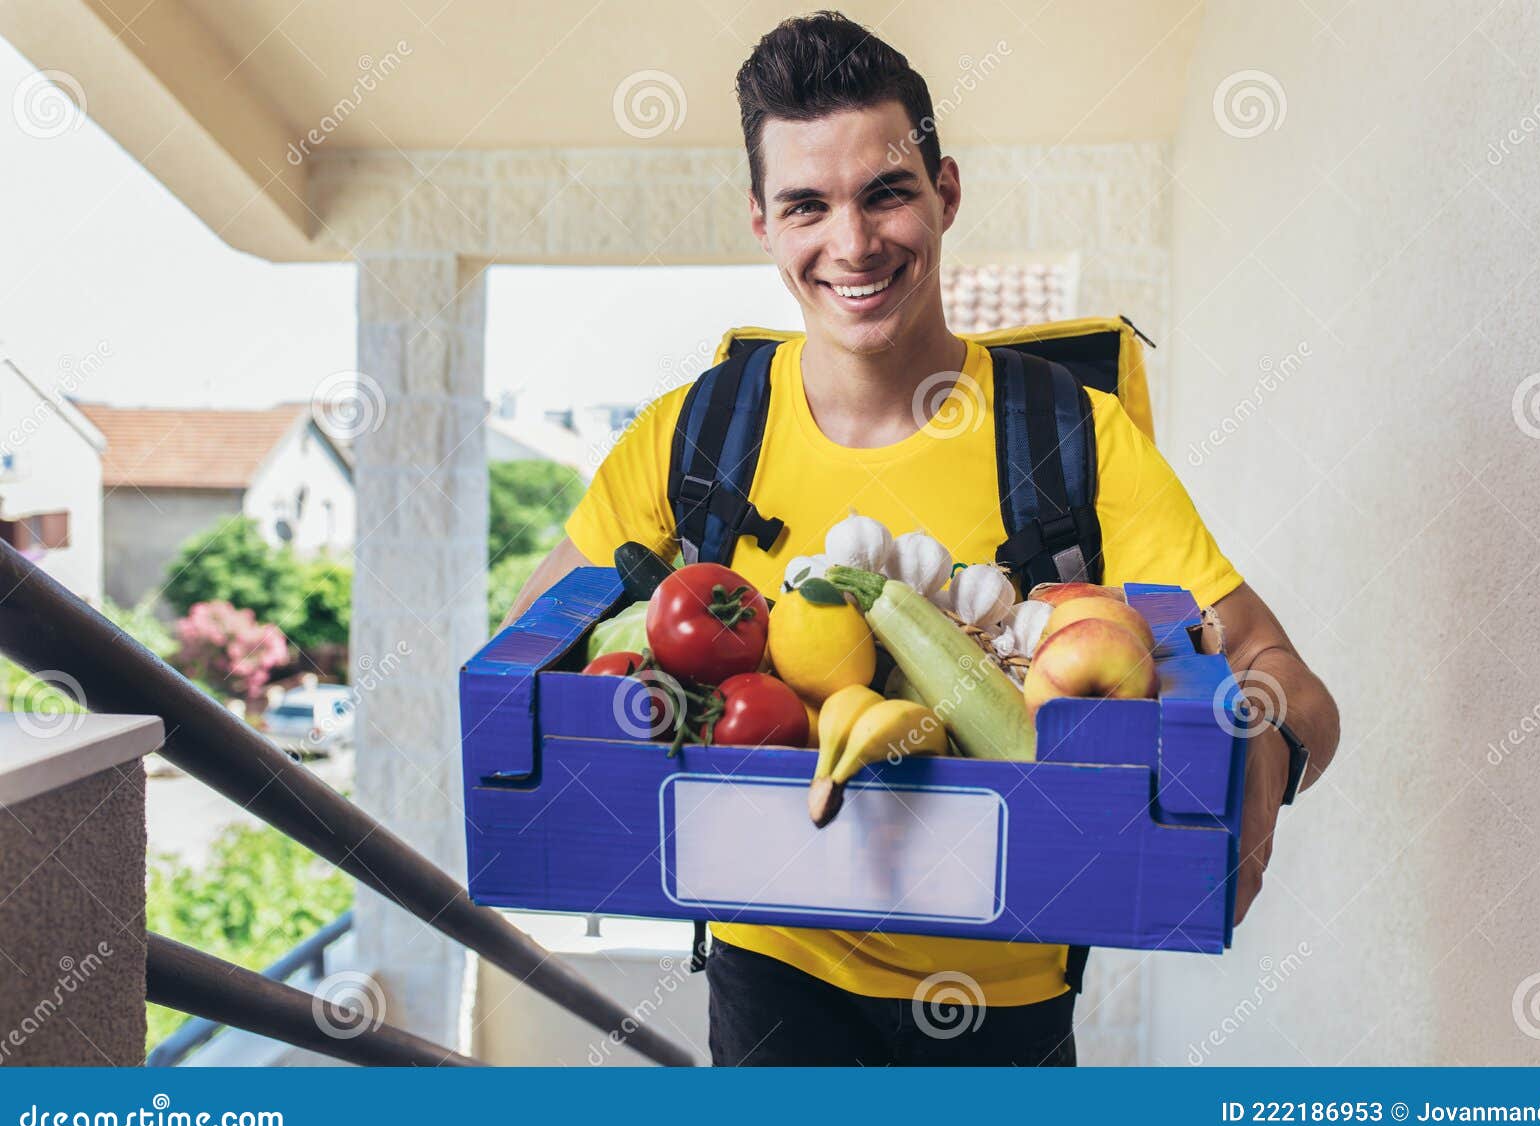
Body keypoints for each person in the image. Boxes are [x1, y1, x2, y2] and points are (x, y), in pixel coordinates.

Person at [504, 11, 1340, 1067]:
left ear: (944, 192)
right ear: (761, 221)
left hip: (1009, 990)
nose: (851, 244)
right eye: (807, 204)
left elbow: (1285, 679)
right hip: (773, 977)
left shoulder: (1068, 435)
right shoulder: (696, 436)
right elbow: (537, 661)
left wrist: (1260, 754)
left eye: (885, 193)